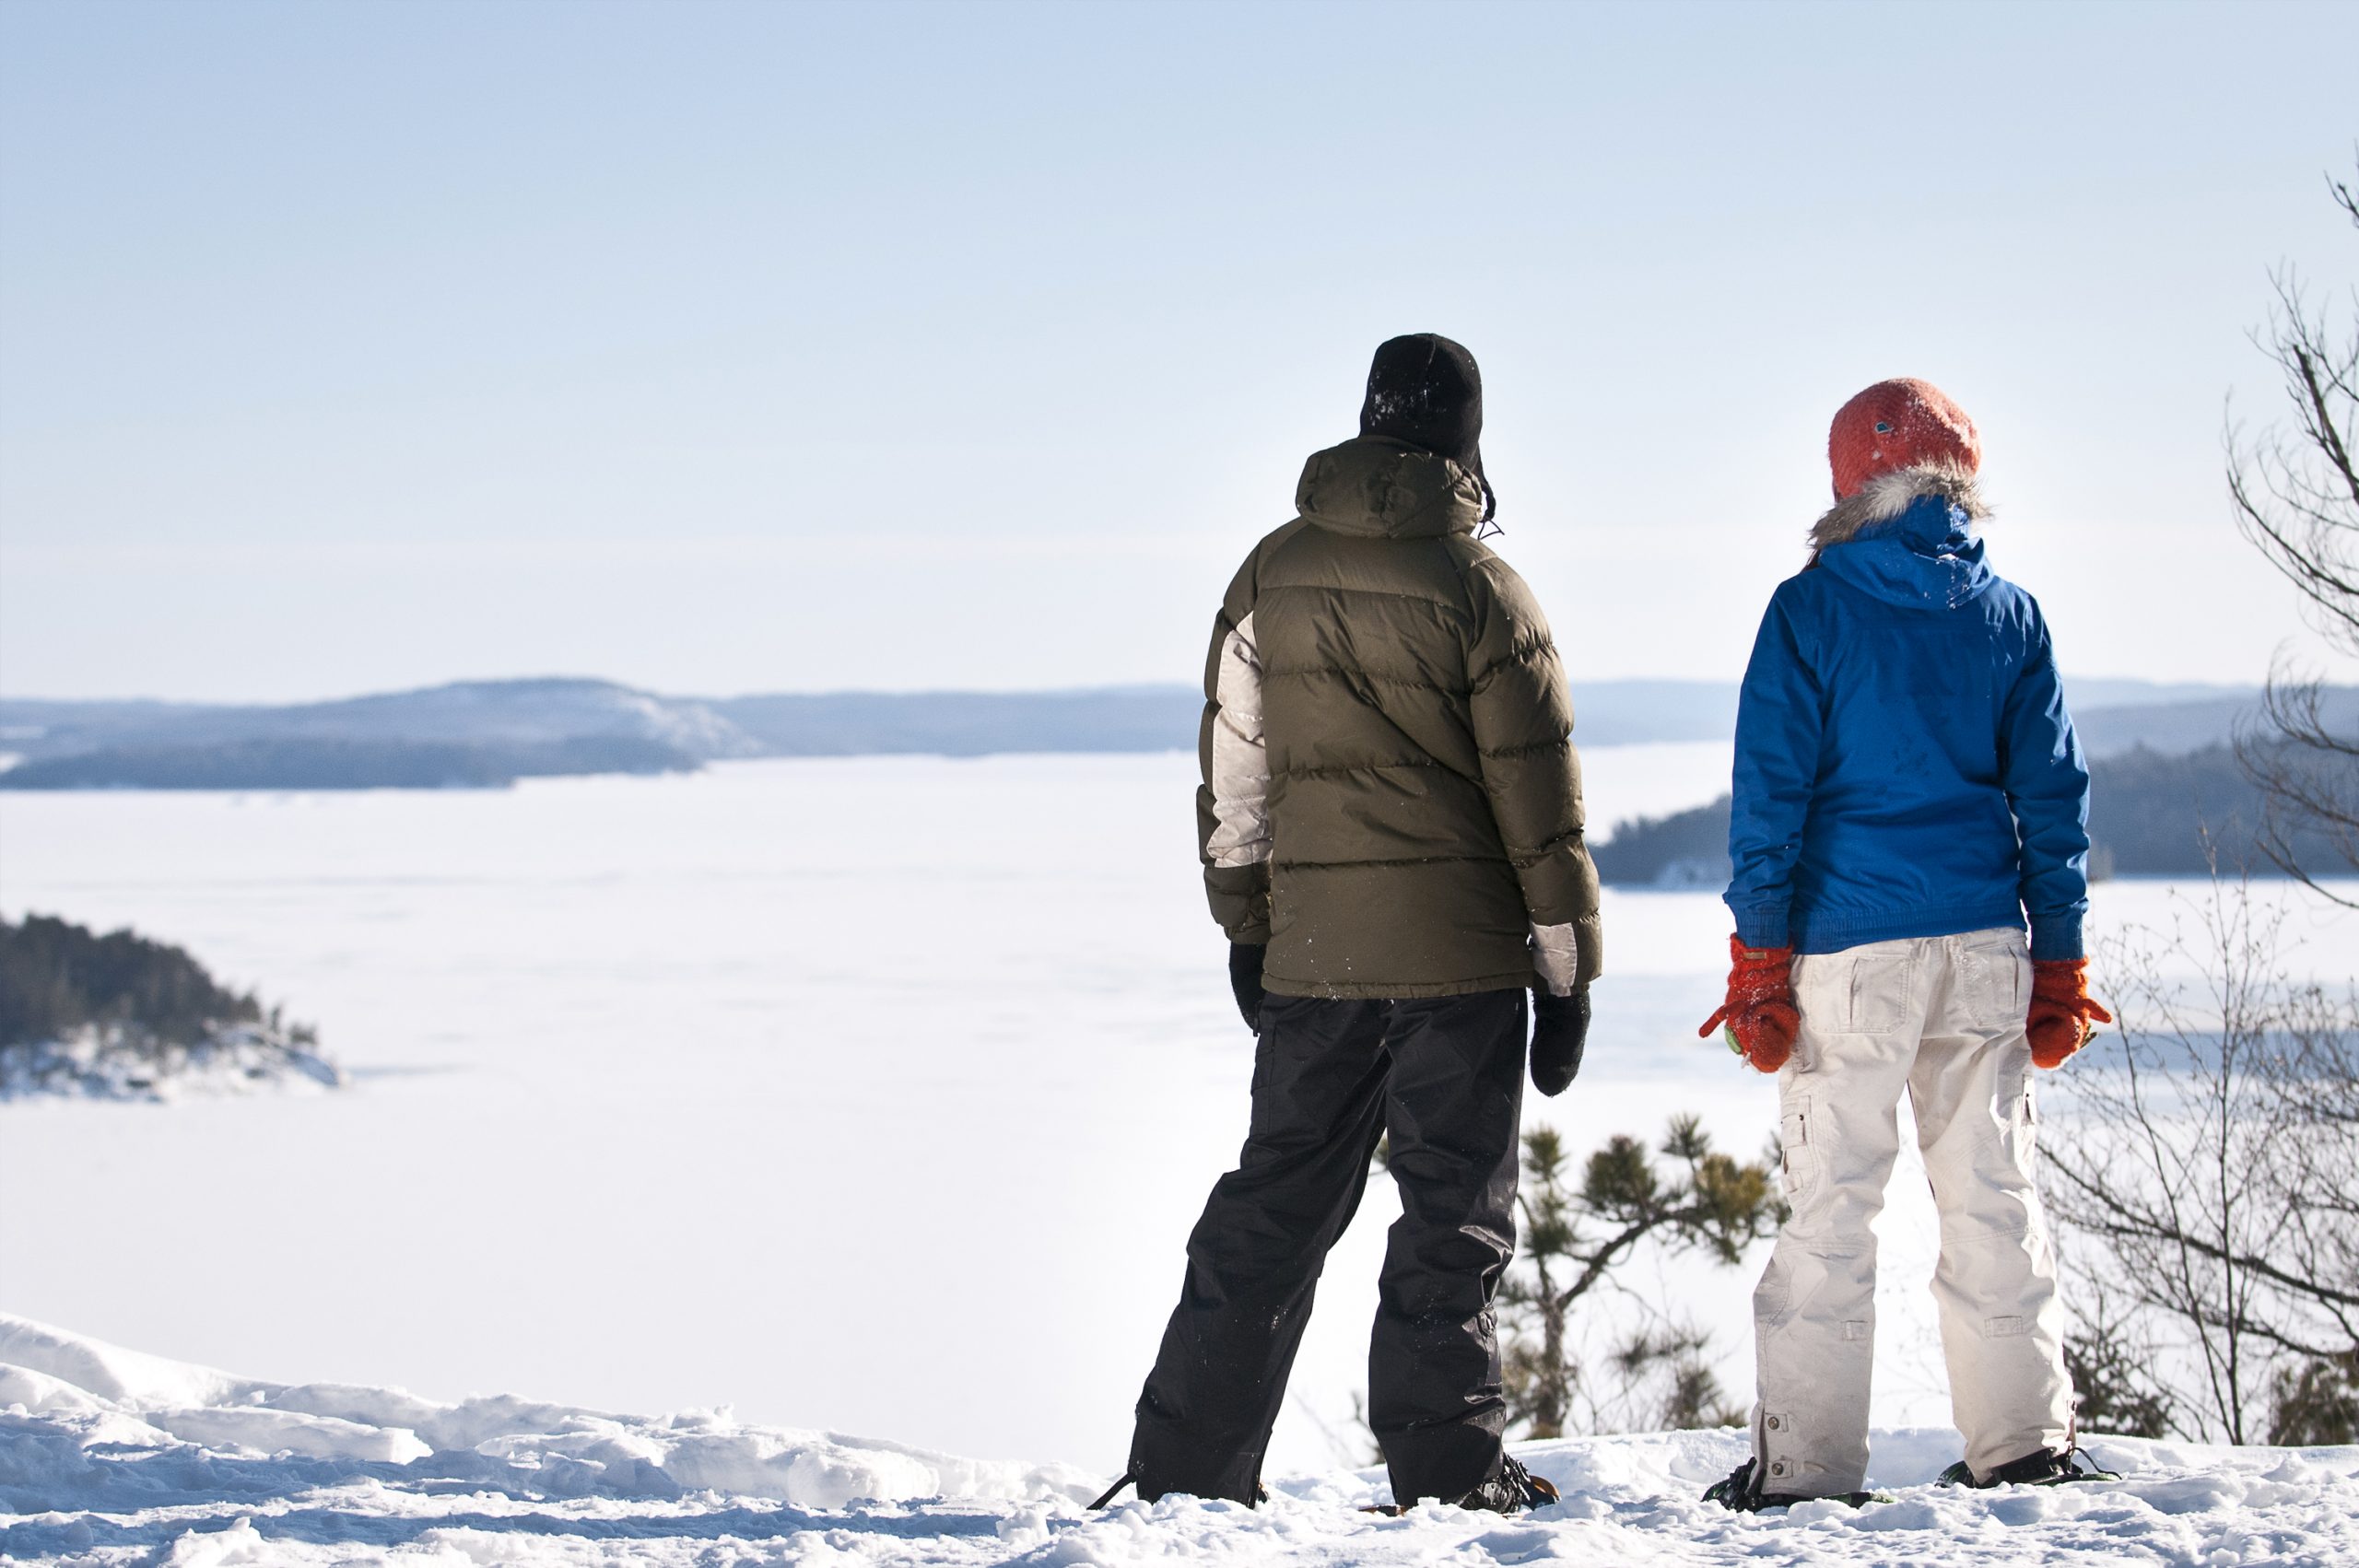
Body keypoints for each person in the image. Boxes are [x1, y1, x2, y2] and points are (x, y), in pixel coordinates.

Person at [1099, 334, 1602, 1516]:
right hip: (1462, 966)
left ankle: (1184, 1477)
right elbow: (1541, 808)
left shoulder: (1269, 570)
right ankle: (1448, 1473)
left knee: (1270, 1209)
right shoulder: (1483, 590)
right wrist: (1567, 973)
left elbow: (1237, 767)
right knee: (1450, 1221)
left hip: (1316, 956)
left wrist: (1244, 924)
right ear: (1467, 440)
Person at [1699, 378, 2116, 1511]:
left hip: (1850, 954)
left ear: (1848, 481)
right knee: (1992, 1194)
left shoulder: (1808, 608)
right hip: (1985, 945)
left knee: (1833, 1206)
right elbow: (2054, 805)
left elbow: (1769, 801)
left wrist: (1760, 965)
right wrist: (2061, 962)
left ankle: (1808, 1470)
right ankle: (2022, 1445)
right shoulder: (2010, 613)